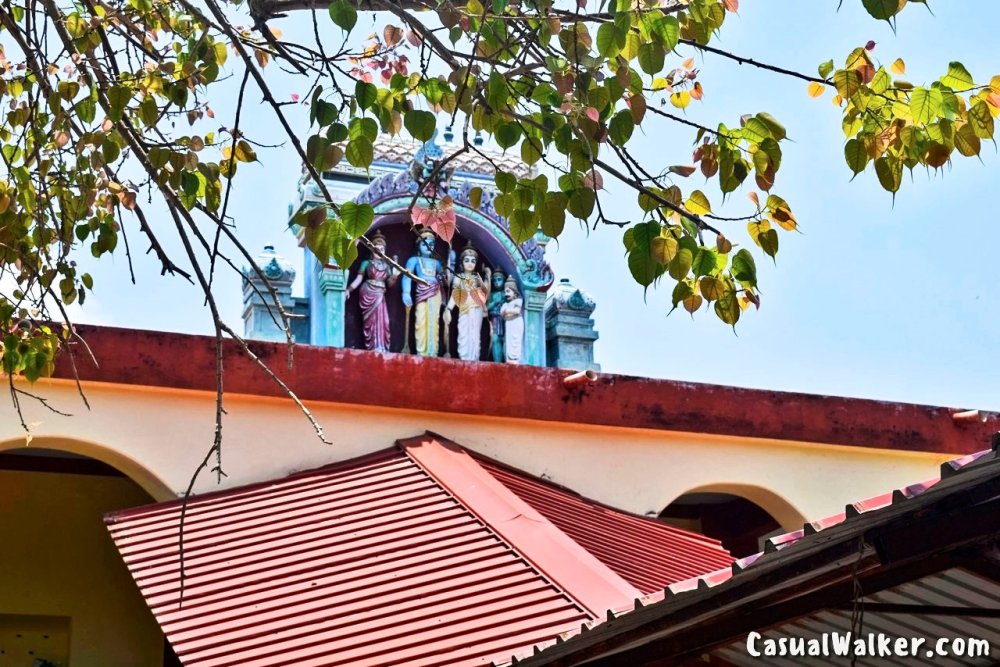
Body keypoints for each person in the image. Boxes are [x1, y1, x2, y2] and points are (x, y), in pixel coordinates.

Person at [345, 231, 398, 352]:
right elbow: (358, 279)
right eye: (376, 249)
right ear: (372, 250)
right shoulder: (366, 264)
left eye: (382, 249)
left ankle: (382, 347)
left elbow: (390, 284)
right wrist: (348, 290)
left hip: (381, 294)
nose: (379, 251)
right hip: (368, 293)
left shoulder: (387, 266)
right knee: (371, 322)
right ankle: (373, 346)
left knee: (384, 322)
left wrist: (394, 276)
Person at [402, 229, 448, 356]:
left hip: (435, 291)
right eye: (424, 244)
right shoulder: (414, 260)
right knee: (420, 319)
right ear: (418, 246)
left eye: (431, 245)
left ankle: (433, 350)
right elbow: (407, 276)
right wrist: (406, 292)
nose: (428, 247)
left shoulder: (437, 263)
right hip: (421, 291)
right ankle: (421, 351)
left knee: (434, 320)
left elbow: (443, 279)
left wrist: (449, 267)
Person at [443, 244, 491, 361]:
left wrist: (488, 277)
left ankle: (474, 357)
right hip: (464, 308)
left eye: (473, 261)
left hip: (477, 308)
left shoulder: (477, 278)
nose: (470, 263)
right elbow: (455, 295)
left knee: (475, 335)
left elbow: (485, 294)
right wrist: (449, 309)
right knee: (463, 333)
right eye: (467, 260)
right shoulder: (459, 277)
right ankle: (464, 357)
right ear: (462, 262)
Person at [500, 276, 524, 364]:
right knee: (508, 342)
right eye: (505, 291)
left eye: (508, 291)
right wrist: (506, 311)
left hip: (516, 322)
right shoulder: (506, 303)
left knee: (515, 342)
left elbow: (517, 311)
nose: (506, 294)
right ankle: (509, 359)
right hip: (509, 323)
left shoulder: (518, 300)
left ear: (514, 291)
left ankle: (515, 359)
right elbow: (501, 313)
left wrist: (506, 311)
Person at [486, 269, 507, 363]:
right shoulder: (492, 295)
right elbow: (487, 308)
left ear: (504, 280)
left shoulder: (507, 293)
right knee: (495, 339)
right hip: (495, 318)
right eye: (494, 280)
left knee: (506, 339)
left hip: (506, 319)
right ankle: (497, 363)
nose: (496, 282)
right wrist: (495, 302)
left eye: (499, 279)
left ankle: (507, 362)